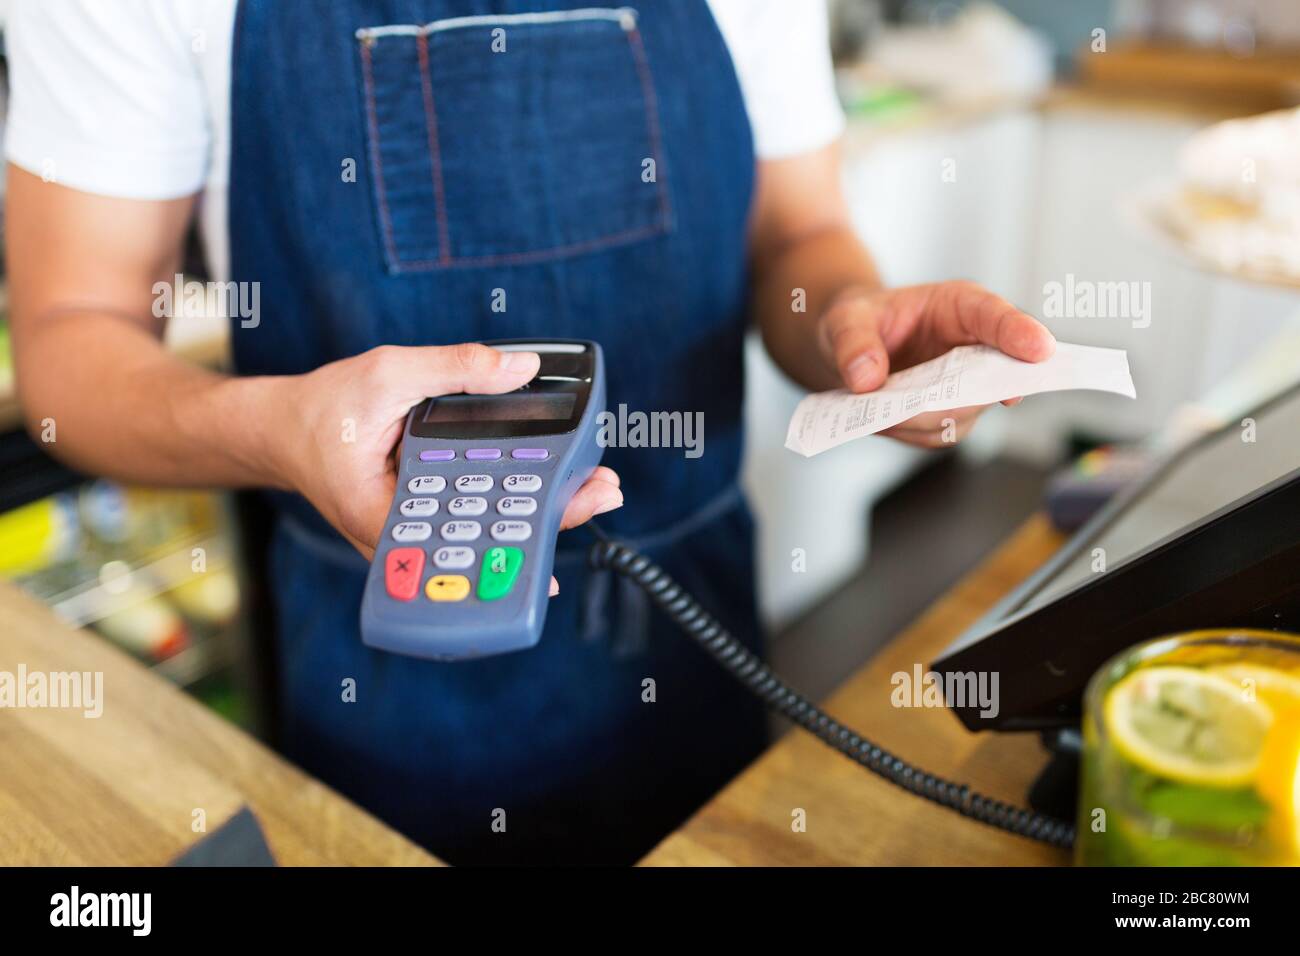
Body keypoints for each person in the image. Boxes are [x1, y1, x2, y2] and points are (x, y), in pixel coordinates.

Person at [4, 0, 1055, 864]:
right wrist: (270, 426)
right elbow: (68, 339)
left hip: (696, 635)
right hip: (386, 664)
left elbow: (801, 233)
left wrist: (851, 331)